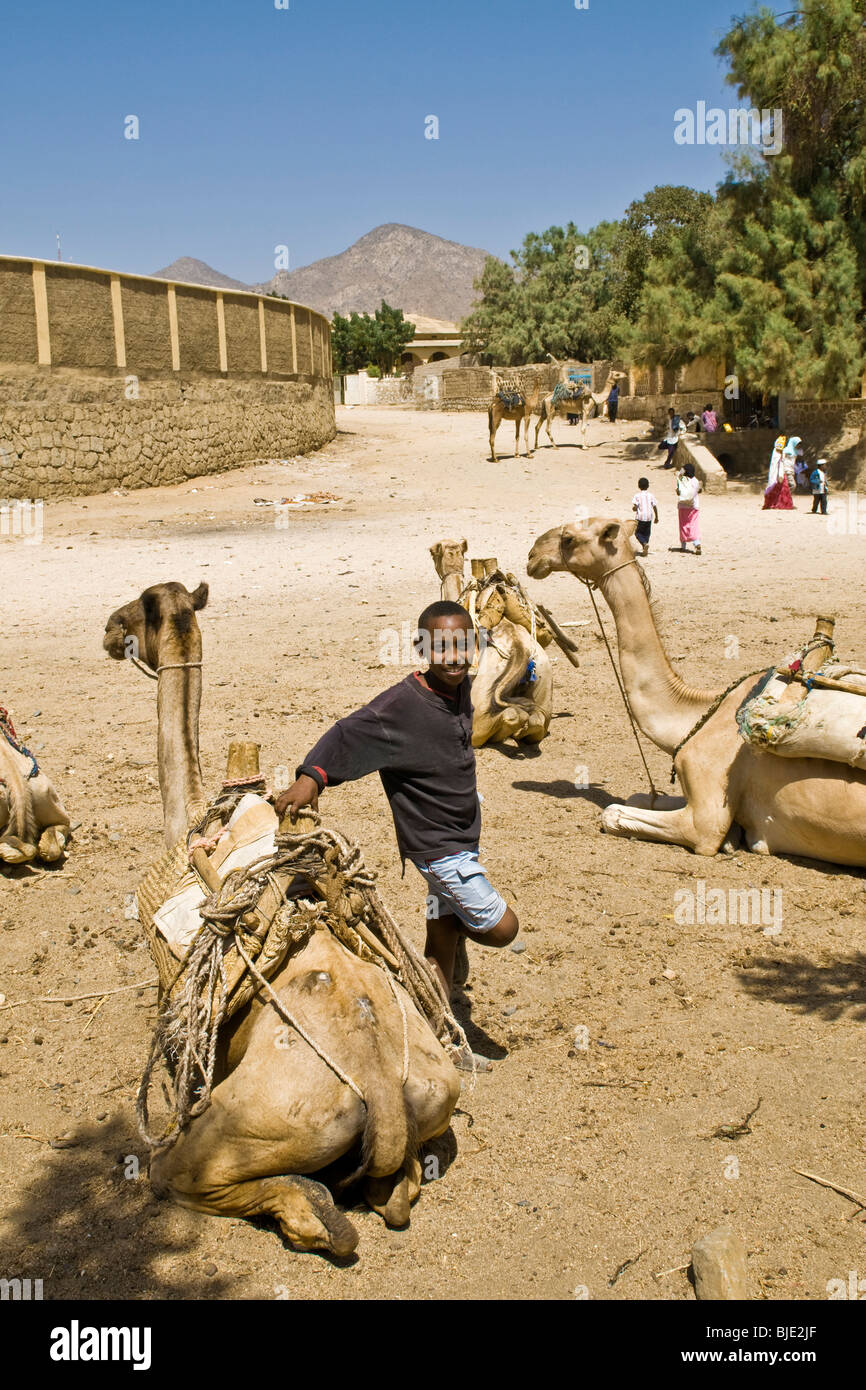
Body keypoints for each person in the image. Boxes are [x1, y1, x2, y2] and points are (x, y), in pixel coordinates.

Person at [273, 600, 519, 1014]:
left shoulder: (460, 689)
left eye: (463, 645)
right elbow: (348, 732)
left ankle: (436, 1019)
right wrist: (310, 776)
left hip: (462, 838)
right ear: (422, 649)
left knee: (440, 941)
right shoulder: (399, 709)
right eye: (441, 647)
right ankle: (458, 925)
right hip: (438, 849)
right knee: (502, 928)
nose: (454, 657)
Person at [675, 461, 702, 554]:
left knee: (683, 525)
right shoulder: (696, 481)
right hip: (693, 506)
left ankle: (683, 545)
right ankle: (696, 543)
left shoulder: (682, 480)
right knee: (693, 525)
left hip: (682, 506)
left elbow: (678, 492)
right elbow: (698, 491)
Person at [762, 435, 794, 510]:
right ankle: (777, 504)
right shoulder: (776, 455)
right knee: (779, 489)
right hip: (778, 474)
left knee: (782, 489)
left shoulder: (779, 454)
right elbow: (776, 465)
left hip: (781, 474)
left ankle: (781, 504)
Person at [632, 476, 659, 556]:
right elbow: (654, 506)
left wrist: (634, 508)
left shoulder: (637, 496)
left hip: (640, 517)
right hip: (649, 517)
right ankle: (645, 546)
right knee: (647, 533)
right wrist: (657, 517)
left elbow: (635, 507)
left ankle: (644, 544)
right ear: (648, 486)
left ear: (639, 486)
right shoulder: (651, 495)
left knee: (637, 533)